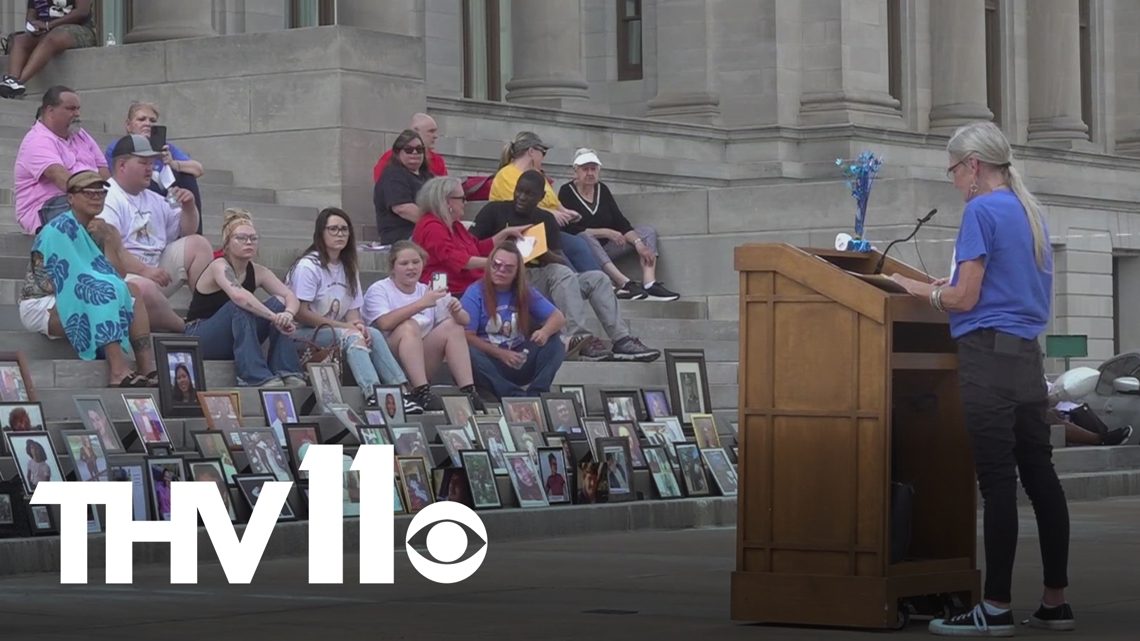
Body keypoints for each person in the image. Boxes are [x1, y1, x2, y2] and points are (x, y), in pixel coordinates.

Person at [889, 121, 1074, 636]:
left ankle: (994, 608)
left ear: (972, 165)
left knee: (996, 485)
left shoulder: (981, 209)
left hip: (987, 359)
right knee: (1041, 478)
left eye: (952, 170)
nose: (953, 181)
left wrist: (915, 287)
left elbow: (965, 298)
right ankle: (1055, 602)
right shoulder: (1029, 210)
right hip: (1026, 360)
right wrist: (945, 287)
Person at [473, 170, 661, 363]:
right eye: (519, 191)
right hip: (510, 277)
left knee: (598, 278)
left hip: (542, 276)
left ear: (542, 197)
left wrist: (542, 251)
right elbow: (470, 246)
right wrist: (504, 242)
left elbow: (560, 261)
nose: (521, 197)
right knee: (562, 274)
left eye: (529, 194)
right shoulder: (494, 211)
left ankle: (622, 339)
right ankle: (577, 339)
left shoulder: (545, 219)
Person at [20, 170, 158, 387]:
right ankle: (118, 372)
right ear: (71, 198)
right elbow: (69, 280)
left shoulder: (101, 228)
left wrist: (108, 242)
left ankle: (146, 368)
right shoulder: (57, 230)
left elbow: (118, 275)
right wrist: (104, 285)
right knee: (100, 291)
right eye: (88, 192)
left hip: (80, 294)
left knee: (132, 290)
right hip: (43, 302)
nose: (96, 196)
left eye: (100, 192)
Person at [285, 208, 427, 413]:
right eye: (333, 229)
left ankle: (402, 393)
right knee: (351, 335)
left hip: (332, 331)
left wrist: (360, 326)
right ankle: (373, 394)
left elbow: (353, 313)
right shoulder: (309, 265)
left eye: (344, 229)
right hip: (299, 334)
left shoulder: (348, 266)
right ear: (320, 233)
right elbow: (301, 313)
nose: (340, 234)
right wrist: (348, 327)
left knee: (374, 333)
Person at [98, 133, 215, 333]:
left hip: (157, 273)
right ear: (122, 166)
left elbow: (188, 231)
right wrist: (144, 271)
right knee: (143, 288)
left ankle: (204, 314)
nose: (150, 167)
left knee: (199, 244)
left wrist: (189, 207)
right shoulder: (107, 196)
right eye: (143, 162)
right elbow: (111, 251)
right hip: (121, 277)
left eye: (152, 162)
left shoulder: (156, 197)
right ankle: (187, 328)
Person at [183, 208, 307, 389]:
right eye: (241, 238)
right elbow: (238, 296)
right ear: (227, 243)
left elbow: (289, 296)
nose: (248, 242)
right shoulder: (219, 265)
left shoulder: (258, 271)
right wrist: (274, 318)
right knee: (239, 305)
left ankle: (287, 370)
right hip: (200, 335)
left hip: (233, 335)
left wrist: (287, 314)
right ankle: (253, 376)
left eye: (253, 238)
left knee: (278, 303)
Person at [364, 240, 488, 412]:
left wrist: (457, 310)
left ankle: (469, 391)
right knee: (409, 326)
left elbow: (465, 321)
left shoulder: (426, 290)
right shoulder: (380, 289)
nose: (411, 268)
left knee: (453, 326)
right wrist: (422, 303)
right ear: (392, 267)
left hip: (421, 360)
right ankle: (421, 391)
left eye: (416, 262)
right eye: (404, 263)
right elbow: (384, 323)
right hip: (388, 361)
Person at [559, 149, 679, 301]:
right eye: (585, 169)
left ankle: (649, 283)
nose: (590, 173)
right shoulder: (566, 191)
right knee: (585, 236)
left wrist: (638, 244)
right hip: (587, 251)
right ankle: (623, 282)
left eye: (593, 169)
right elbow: (570, 229)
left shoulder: (602, 189)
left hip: (609, 248)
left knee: (646, 232)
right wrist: (606, 232)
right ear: (575, 171)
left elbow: (620, 221)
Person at [461, 243, 566, 399]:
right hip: (489, 362)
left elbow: (558, 317)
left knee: (555, 342)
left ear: (517, 272)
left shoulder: (524, 292)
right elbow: (467, 337)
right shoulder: (475, 292)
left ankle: (538, 393)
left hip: (519, 358)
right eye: (496, 265)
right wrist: (501, 354)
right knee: (469, 353)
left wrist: (544, 332)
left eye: (508, 268)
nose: (501, 271)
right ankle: (513, 395)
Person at [490, 131, 602, 274]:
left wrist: (566, 213)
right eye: (543, 152)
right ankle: (577, 285)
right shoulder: (506, 176)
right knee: (560, 257)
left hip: (546, 228)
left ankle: (599, 283)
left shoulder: (537, 175)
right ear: (531, 151)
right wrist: (552, 214)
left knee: (579, 243)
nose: (543, 157)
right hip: (522, 233)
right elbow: (521, 207)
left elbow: (553, 202)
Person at [410, 176, 528, 296]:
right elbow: (454, 259)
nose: (465, 203)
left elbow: (478, 248)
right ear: (447, 201)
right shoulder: (432, 227)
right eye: (462, 198)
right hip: (451, 293)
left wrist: (506, 233)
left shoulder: (455, 225)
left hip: (470, 287)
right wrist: (496, 263)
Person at [14, 86, 108, 234]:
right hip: (46, 206)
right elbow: (64, 180)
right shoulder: (37, 140)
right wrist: (97, 196)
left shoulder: (80, 134)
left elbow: (103, 169)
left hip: (83, 196)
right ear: (51, 111)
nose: (77, 114)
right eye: (71, 109)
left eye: (78, 109)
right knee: (86, 207)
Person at [105, 102, 206, 234]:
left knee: (187, 177)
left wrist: (172, 163)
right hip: (141, 193)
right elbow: (124, 178)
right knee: (145, 176)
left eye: (152, 120)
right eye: (141, 119)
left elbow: (198, 169)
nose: (148, 123)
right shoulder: (119, 147)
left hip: (169, 194)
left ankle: (194, 234)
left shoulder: (165, 146)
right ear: (128, 125)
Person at [1, 1, 97, 99]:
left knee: (51, 38)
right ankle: (12, 79)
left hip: (79, 29)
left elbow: (82, 12)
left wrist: (48, 25)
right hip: (45, 30)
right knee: (19, 40)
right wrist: (34, 26)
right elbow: (31, 16)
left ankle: (19, 82)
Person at [374, 129, 434, 245]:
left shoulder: (428, 176)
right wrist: (437, 224)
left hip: (427, 232)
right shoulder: (393, 176)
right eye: (409, 150)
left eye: (419, 149)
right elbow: (403, 209)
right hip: (402, 238)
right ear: (397, 153)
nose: (415, 153)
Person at [374, 113, 448, 182]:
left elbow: (444, 190)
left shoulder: (437, 161)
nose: (435, 136)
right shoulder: (390, 157)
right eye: (431, 131)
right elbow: (382, 184)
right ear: (416, 132)